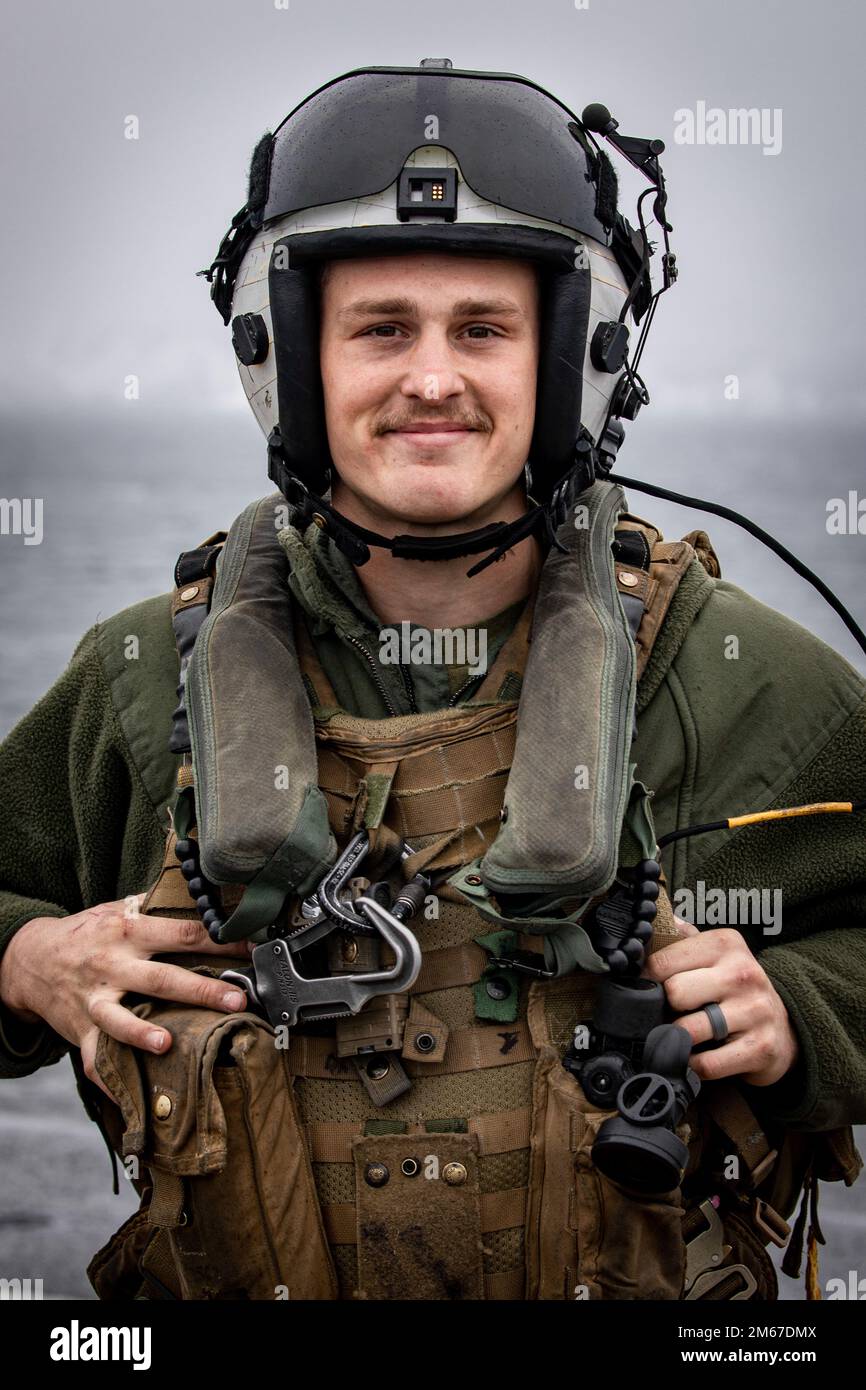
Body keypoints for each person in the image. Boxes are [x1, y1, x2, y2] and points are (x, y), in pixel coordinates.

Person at [1, 59, 864, 1303]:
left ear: (575, 357)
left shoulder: (732, 680)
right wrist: (31, 962)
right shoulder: (143, 684)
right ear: (287, 355)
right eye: (380, 328)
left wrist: (797, 1011)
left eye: (482, 330)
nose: (430, 377)